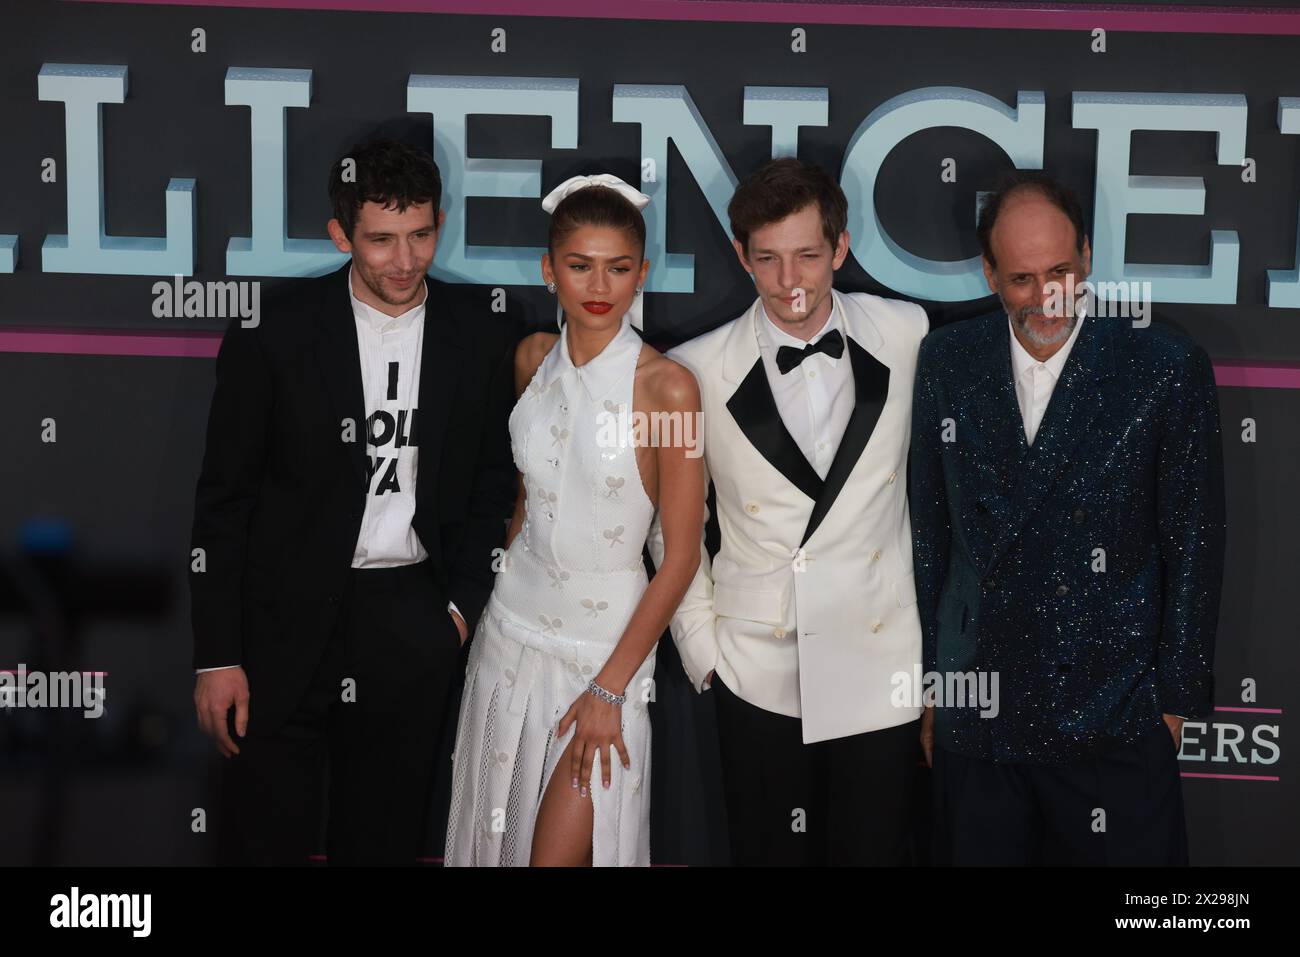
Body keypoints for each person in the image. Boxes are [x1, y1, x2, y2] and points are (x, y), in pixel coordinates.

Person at [189, 136, 524, 864]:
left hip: (411, 624)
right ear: (341, 233)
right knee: (262, 841)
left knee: (383, 844)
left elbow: (494, 490)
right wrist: (217, 654)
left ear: (442, 222)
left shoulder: (485, 332)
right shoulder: (271, 331)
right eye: (380, 240)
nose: (404, 261)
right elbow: (224, 502)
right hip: (278, 632)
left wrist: (458, 615)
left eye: (421, 235)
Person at [909, 169, 1226, 865]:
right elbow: (931, 535)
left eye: (1060, 270)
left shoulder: (1163, 365)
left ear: (1086, 253)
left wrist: (1170, 707)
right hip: (979, 720)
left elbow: (1194, 543)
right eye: (1022, 279)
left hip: (1112, 723)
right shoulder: (947, 361)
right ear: (990, 274)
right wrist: (935, 683)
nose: (1046, 297)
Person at [648, 157, 930, 865]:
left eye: (808, 255)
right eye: (767, 259)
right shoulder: (691, 369)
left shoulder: (909, 334)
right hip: (758, 671)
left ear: (840, 248)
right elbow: (667, 524)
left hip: (879, 670)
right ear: (741, 256)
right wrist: (704, 652)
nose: (790, 281)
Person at [443, 174, 705, 867]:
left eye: (619, 267)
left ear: (642, 272)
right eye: (579, 264)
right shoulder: (531, 358)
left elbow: (680, 556)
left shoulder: (669, 387)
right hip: (508, 635)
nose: (600, 284)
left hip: (604, 650)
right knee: (493, 844)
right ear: (548, 268)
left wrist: (610, 686)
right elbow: (527, 501)